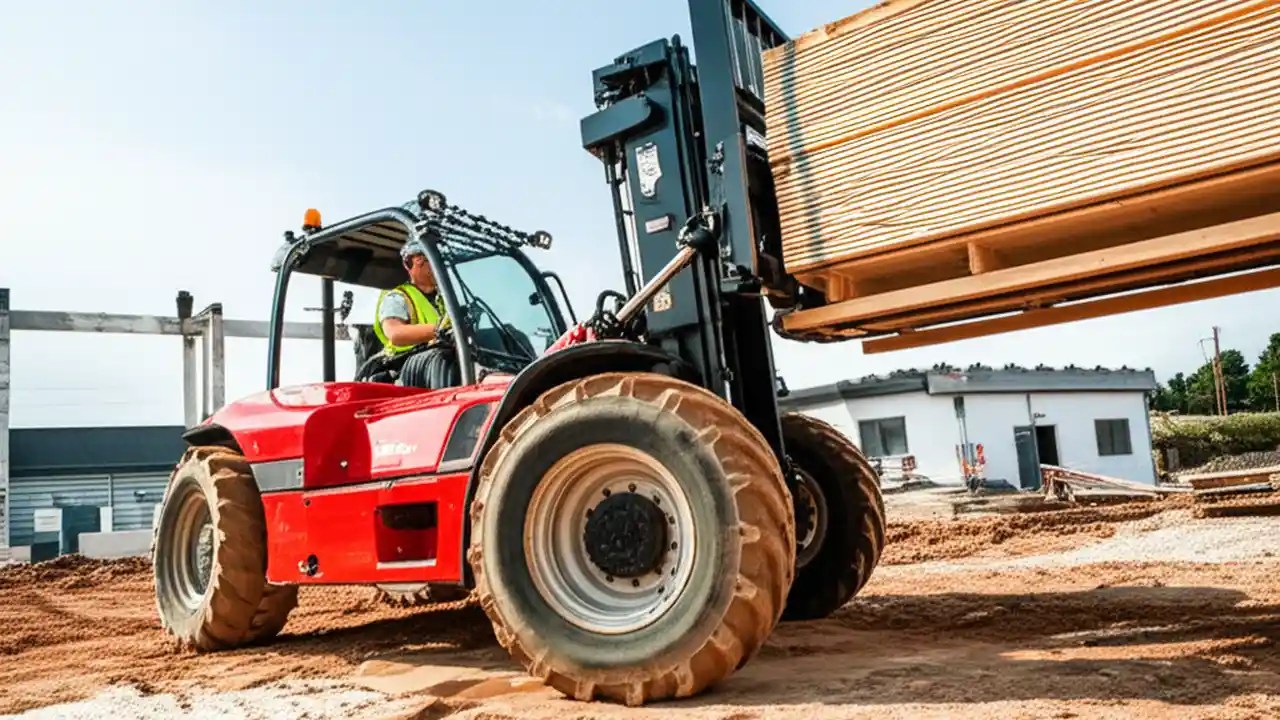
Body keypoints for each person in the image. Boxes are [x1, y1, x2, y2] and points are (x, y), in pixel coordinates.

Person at [371, 238, 458, 388]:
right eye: (439, 261)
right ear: (418, 260)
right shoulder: (398, 297)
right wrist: (440, 330)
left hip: (439, 366)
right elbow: (395, 333)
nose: (444, 268)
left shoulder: (444, 300)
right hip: (410, 372)